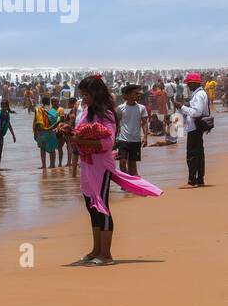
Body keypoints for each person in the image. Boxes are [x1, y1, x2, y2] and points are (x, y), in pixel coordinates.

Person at [60, 75, 163, 266]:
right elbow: (80, 131)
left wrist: (79, 140)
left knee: (102, 208)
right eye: (82, 95)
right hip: (87, 165)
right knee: (91, 208)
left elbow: (107, 143)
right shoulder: (86, 111)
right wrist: (70, 132)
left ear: (95, 94)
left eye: (86, 95)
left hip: (101, 167)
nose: (83, 98)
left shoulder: (106, 114)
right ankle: (96, 249)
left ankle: (106, 254)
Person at [181, 72, 210, 187]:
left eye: (189, 84)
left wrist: (182, 107)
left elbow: (196, 112)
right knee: (199, 154)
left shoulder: (198, 95)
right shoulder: (201, 93)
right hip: (197, 127)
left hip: (194, 128)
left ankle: (192, 180)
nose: (188, 86)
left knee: (192, 155)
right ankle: (200, 179)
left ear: (193, 83)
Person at [115, 84, 149, 176]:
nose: (138, 95)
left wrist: (145, 137)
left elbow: (145, 123)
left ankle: (133, 184)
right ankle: (126, 182)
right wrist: (114, 139)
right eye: (136, 93)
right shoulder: (120, 109)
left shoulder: (142, 108)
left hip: (136, 140)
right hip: (123, 140)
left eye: (138, 93)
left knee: (132, 164)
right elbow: (116, 125)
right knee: (122, 162)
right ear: (127, 95)